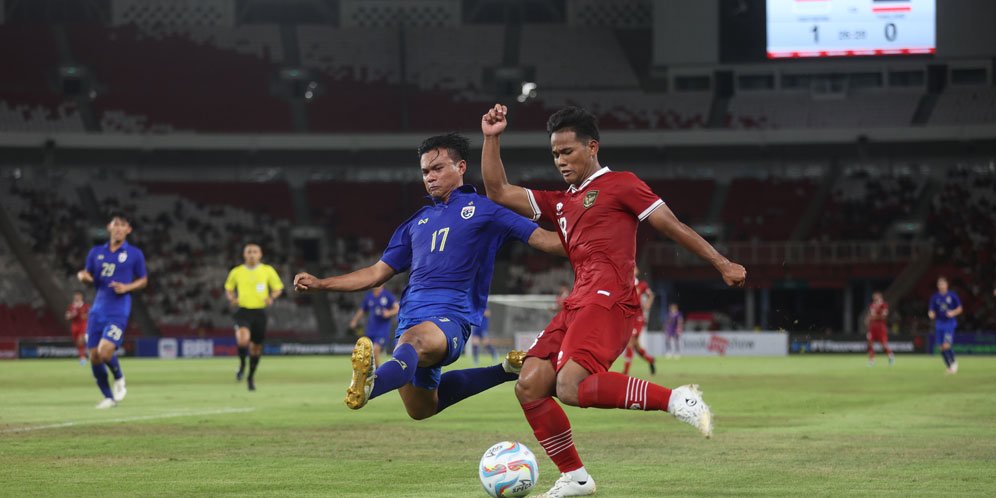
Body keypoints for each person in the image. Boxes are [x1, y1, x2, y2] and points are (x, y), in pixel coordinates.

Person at [481, 104, 746, 497]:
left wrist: (722, 263)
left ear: (592, 147)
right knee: (530, 384)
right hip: (576, 302)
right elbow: (499, 191)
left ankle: (677, 399)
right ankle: (576, 478)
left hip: (610, 298)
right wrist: (492, 137)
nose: (560, 161)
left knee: (570, 386)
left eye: (567, 151)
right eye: (554, 154)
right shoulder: (561, 202)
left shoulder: (622, 184)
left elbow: (671, 225)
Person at [293, 133, 565, 421]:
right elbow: (375, 273)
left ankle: (372, 384)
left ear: (461, 167)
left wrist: (593, 236)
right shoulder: (416, 222)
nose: (430, 177)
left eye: (437, 168)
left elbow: (546, 240)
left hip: (450, 318)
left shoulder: (487, 210)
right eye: (425, 172)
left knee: (413, 342)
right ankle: (506, 370)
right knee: (422, 409)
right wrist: (322, 284)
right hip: (410, 320)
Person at [76, 213, 147, 409]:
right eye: (115, 224)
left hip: (119, 309)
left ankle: (119, 377)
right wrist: (83, 276)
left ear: (128, 230)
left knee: (105, 352)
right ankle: (108, 397)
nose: (118, 228)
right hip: (98, 309)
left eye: (122, 225)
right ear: (109, 227)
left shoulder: (134, 254)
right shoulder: (96, 252)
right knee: (94, 356)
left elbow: (143, 280)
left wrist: (127, 287)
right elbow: (88, 275)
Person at [224, 243, 284, 391]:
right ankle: (242, 365)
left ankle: (250, 377)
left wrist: (271, 297)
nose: (252, 254)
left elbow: (278, 288)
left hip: (259, 313)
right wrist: (232, 298)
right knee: (243, 340)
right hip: (243, 311)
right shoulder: (237, 271)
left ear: (260, 254)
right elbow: (229, 288)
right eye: (249, 252)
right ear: (244, 255)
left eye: (255, 252)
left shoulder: (267, 270)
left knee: (256, 348)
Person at [349, 285, 399, 367]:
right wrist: (354, 320)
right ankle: (370, 369)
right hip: (370, 329)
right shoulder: (369, 296)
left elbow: (397, 308)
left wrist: (389, 313)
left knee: (376, 349)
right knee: (366, 353)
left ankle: (377, 371)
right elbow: (362, 310)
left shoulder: (387, 296)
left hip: (382, 329)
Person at [621, 267, 655, 374]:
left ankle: (625, 372)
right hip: (629, 318)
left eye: (634, 268)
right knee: (636, 347)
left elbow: (651, 295)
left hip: (638, 319)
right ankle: (650, 360)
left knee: (630, 343)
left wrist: (648, 305)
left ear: (637, 271)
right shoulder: (626, 285)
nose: (632, 270)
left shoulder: (642, 285)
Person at [928, 276, 962, 374]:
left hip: (949, 323)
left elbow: (960, 309)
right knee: (941, 347)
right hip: (939, 323)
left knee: (946, 345)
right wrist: (931, 314)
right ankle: (949, 366)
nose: (941, 286)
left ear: (947, 285)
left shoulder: (952, 296)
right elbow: (931, 310)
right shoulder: (935, 297)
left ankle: (954, 363)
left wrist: (953, 313)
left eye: (943, 284)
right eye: (939, 284)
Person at [865, 292, 893, 366]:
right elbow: (870, 315)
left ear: (880, 298)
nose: (875, 300)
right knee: (870, 343)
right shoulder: (872, 305)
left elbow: (884, 316)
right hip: (872, 327)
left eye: (876, 298)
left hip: (880, 327)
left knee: (883, 344)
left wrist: (874, 317)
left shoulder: (884, 305)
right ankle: (872, 360)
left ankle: (890, 355)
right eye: (874, 299)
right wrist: (868, 321)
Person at [65, 290, 90, 365]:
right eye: (76, 296)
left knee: (81, 340)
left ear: (81, 297)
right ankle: (82, 356)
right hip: (74, 326)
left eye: (78, 296)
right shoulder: (71, 306)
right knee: (78, 343)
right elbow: (67, 316)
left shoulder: (86, 306)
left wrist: (85, 316)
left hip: (83, 325)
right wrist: (71, 315)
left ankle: (84, 357)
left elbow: (90, 315)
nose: (77, 297)